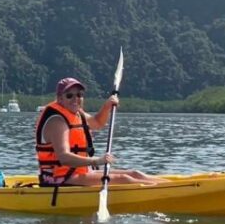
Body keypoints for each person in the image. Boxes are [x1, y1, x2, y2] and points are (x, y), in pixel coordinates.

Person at [34, 77, 170, 187]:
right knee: (125, 179)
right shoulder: (57, 121)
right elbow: (64, 157)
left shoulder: (76, 114)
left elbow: (97, 123)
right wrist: (97, 160)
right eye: (70, 95)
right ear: (60, 99)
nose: (76, 99)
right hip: (61, 178)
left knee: (136, 173)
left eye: (79, 95)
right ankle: (170, 191)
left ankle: (180, 186)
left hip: (79, 172)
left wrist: (106, 107)